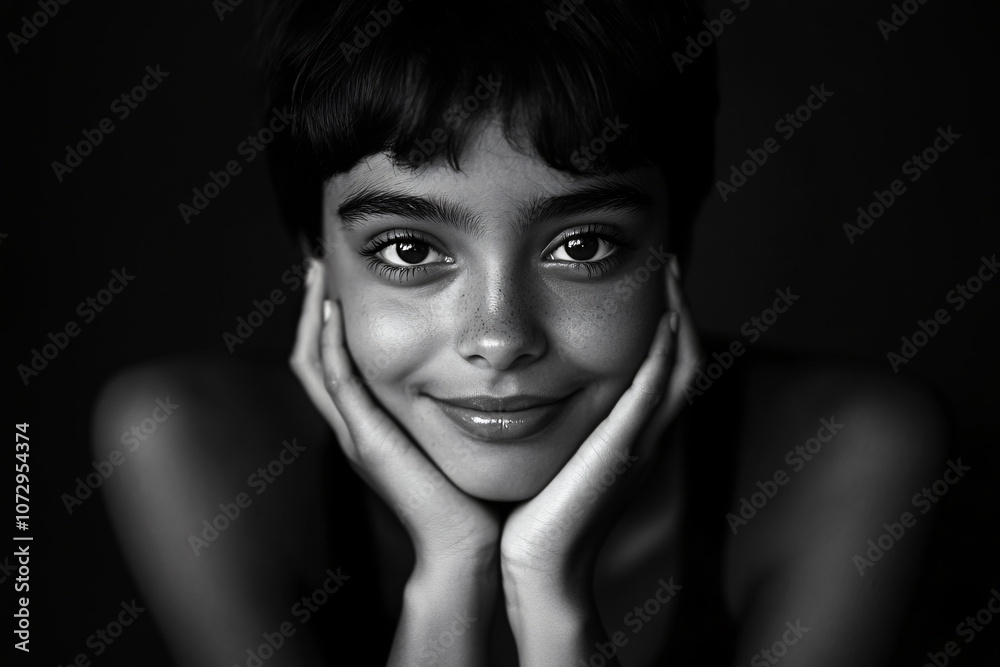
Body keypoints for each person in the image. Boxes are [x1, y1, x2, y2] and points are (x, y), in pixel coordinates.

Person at [92, 1, 948, 665]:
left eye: (582, 245)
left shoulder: (848, 449)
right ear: (317, 261)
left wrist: (550, 597)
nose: (499, 337)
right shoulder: (189, 440)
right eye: (409, 248)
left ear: (673, 247)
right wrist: (450, 576)